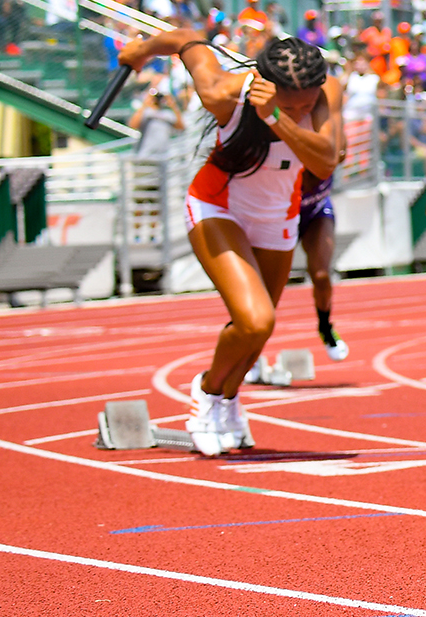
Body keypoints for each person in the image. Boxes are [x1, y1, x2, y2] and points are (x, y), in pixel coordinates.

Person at [117, 32, 336, 456]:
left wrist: (277, 116)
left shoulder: (324, 95)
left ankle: (230, 399)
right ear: (261, 82)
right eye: (292, 105)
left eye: (307, 105)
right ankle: (206, 391)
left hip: (279, 218)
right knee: (256, 321)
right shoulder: (222, 94)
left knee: (256, 336)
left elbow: (325, 160)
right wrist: (144, 50)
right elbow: (186, 40)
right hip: (218, 208)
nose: (303, 110)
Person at [298, 73, 351, 361]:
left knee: (320, 274)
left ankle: (325, 326)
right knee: (268, 288)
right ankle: (252, 348)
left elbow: (340, 150)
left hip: (316, 209)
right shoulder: (294, 145)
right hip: (280, 213)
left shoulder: (329, 130)